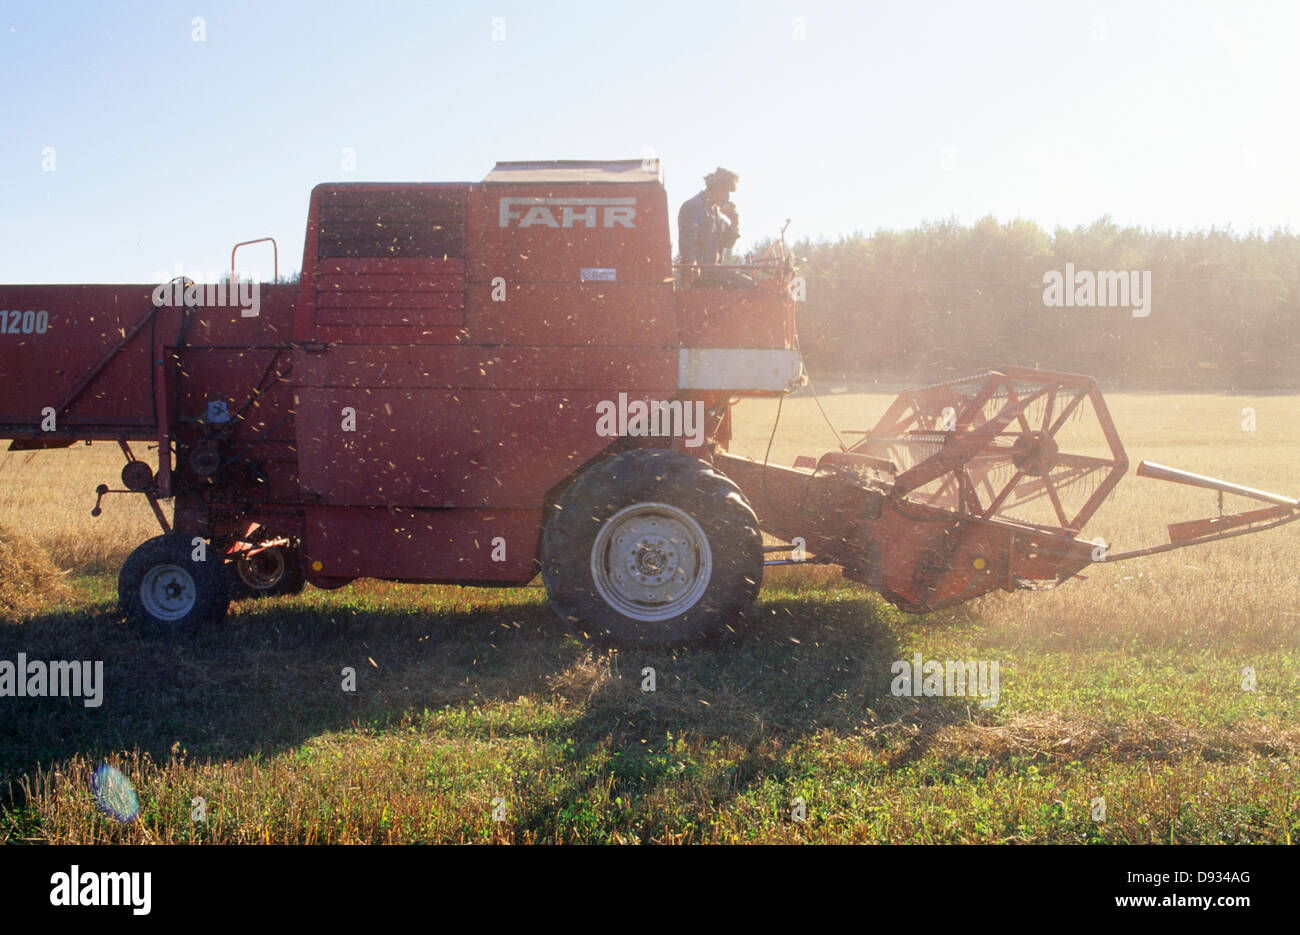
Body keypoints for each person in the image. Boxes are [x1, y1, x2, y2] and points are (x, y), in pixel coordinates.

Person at [677, 167, 750, 287]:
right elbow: (686, 241)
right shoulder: (693, 206)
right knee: (747, 285)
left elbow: (728, 243)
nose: (727, 197)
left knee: (748, 281)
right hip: (700, 274)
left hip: (712, 273)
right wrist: (692, 263)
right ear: (716, 187)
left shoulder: (715, 212)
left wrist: (734, 222)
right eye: (725, 191)